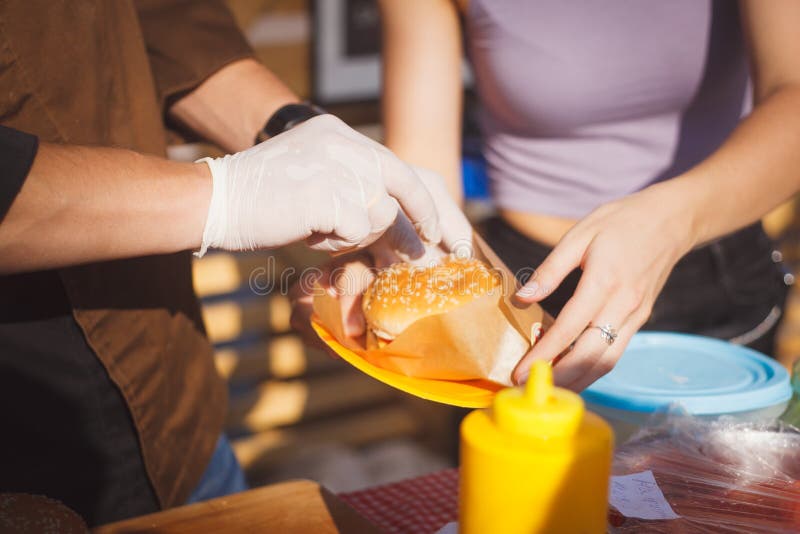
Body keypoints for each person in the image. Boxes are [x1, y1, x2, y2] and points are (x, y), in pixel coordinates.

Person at [0, 1, 463, 526]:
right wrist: (223, 197)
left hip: (181, 420)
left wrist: (295, 129)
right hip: (25, 468)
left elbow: (162, 17)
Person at [373, 0, 800, 391]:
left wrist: (673, 222)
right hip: (524, 292)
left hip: (709, 278)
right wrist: (398, 256)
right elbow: (423, 168)